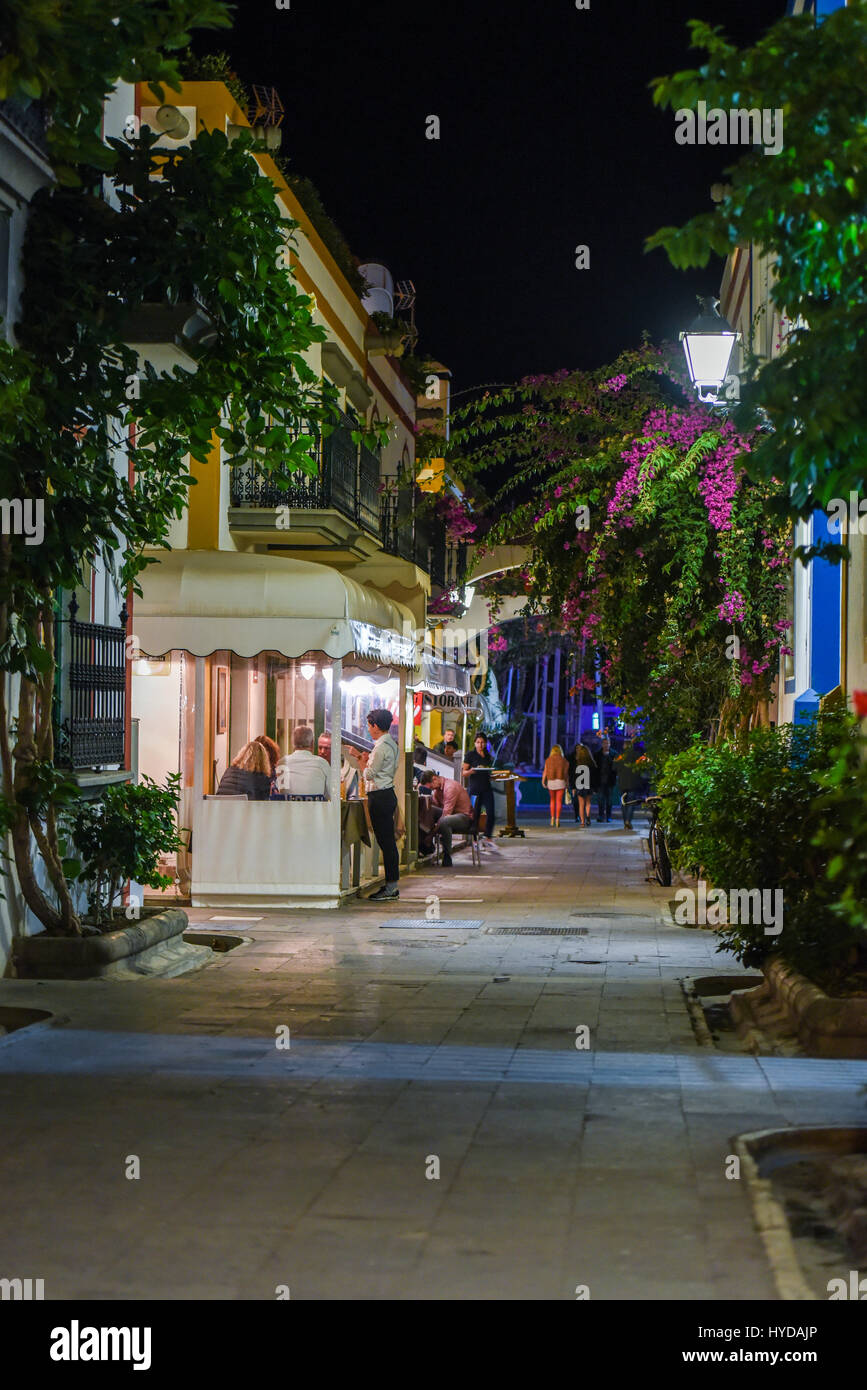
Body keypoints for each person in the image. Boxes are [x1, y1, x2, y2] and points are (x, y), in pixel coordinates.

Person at [347, 708, 401, 900]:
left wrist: (359, 759)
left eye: (369, 725)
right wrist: (364, 759)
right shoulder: (392, 745)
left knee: (386, 843)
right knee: (388, 843)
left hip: (380, 796)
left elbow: (369, 773)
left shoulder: (381, 747)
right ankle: (391, 885)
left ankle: (391, 887)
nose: (368, 729)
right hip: (387, 794)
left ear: (375, 726)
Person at [420, 770, 473, 867]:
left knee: (445, 821)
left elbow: (446, 813)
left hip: (464, 817)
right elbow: (435, 807)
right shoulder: (437, 790)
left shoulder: (450, 787)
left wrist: (432, 834)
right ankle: (424, 845)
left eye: (431, 787)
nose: (431, 789)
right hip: (452, 814)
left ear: (434, 779)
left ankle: (447, 855)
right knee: (429, 810)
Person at [463, 732, 499, 849]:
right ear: (475, 743)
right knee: (475, 814)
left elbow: (488, 771)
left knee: (491, 813)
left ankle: (488, 837)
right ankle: (474, 841)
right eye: (478, 742)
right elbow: (464, 772)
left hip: (486, 788)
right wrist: (471, 771)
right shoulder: (470, 755)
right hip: (474, 789)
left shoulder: (487, 756)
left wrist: (492, 776)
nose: (480, 744)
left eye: (482, 742)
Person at [273, 725, 331, 798]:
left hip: (288, 809)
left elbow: (280, 791)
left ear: (293, 743)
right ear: (312, 743)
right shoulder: (322, 763)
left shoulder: (282, 763)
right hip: (315, 808)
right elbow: (331, 794)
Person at [568, 741, 596, 827]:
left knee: (581, 804)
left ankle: (582, 822)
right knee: (588, 803)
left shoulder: (577, 765)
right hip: (589, 785)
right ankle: (588, 817)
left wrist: (573, 787)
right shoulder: (592, 765)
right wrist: (595, 788)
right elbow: (594, 777)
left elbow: (573, 777)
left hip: (579, 785)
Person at [542, 743, 570, 827]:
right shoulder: (564, 760)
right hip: (561, 781)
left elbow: (545, 772)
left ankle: (552, 818)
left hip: (551, 781)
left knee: (552, 800)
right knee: (558, 801)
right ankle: (558, 819)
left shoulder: (548, 760)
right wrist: (567, 782)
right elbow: (566, 773)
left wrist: (543, 781)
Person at [616, 739, 642, 830]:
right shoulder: (636, 755)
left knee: (624, 802)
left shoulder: (620, 756)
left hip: (622, 783)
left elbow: (614, 767)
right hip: (633, 783)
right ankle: (628, 821)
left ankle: (625, 821)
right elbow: (640, 768)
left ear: (624, 746)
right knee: (631, 803)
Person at [595, 735, 617, 823]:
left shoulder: (614, 754)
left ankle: (608, 816)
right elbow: (595, 768)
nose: (606, 745)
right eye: (604, 743)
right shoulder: (597, 754)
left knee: (609, 800)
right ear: (602, 744)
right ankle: (600, 815)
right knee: (600, 799)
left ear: (610, 744)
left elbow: (615, 768)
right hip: (600, 780)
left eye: (607, 743)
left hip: (610, 780)